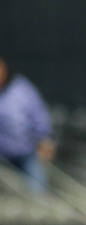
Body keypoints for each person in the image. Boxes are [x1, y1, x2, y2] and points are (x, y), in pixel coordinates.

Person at [0, 54, 54, 193]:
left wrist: (45, 140)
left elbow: (39, 115)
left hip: (25, 153)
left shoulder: (22, 89)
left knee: (36, 190)